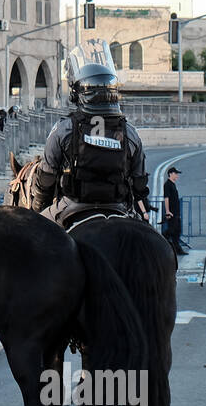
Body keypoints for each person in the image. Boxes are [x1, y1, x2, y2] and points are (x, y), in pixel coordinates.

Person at [30, 39, 149, 228]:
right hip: (118, 205)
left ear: (79, 94)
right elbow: (140, 181)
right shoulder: (130, 132)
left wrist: (38, 206)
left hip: (73, 205)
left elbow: (47, 175)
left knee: (33, 234)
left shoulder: (64, 128)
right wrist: (143, 210)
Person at [161, 166, 186, 257]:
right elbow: (166, 198)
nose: (177, 176)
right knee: (171, 231)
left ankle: (177, 249)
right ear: (170, 174)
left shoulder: (173, 184)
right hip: (172, 212)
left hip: (176, 212)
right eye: (176, 174)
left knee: (177, 231)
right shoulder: (167, 184)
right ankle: (161, 240)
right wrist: (167, 211)